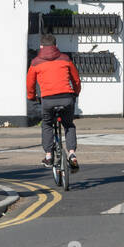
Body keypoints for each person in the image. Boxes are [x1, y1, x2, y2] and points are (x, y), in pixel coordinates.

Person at [27, 33, 82, 171]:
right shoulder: (65, 59)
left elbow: (30, 84)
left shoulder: (35, 62)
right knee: (68, 124)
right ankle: (72, 154)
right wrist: (75, 92)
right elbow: (76, 80)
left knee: (47, 124)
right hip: (66, 98)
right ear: (56, 46)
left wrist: (32, 97)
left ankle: (49, 155)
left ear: (41, 46)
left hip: (48, 100)